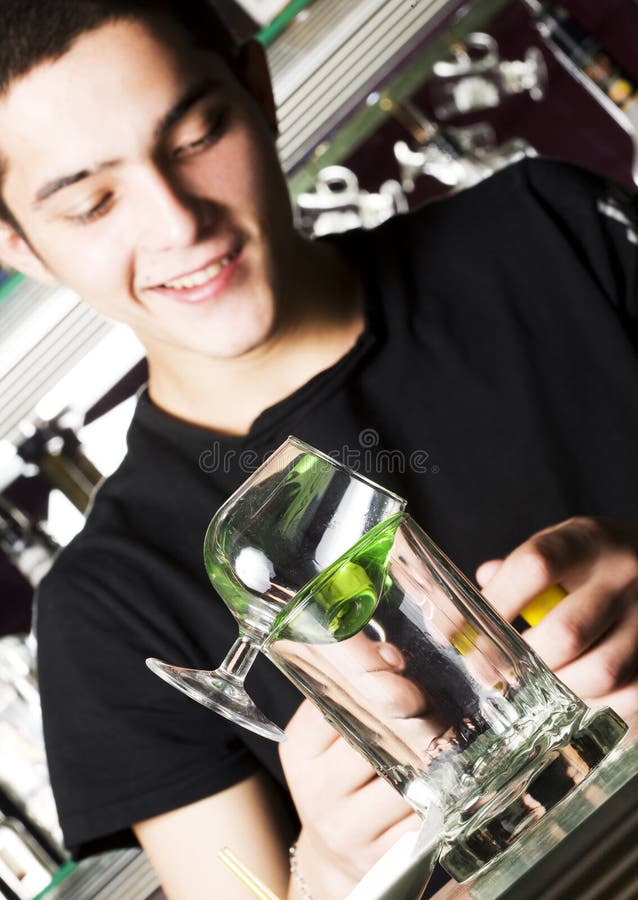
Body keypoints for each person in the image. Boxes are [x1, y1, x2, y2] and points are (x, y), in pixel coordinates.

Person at [0, 1, 636, 896]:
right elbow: (239, 887)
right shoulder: (106, 610)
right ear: (15, 241)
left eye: (194, 136)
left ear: (256, 90)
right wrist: (329, 865)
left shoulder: (558, 233)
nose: (178, 223)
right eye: (93, 202)